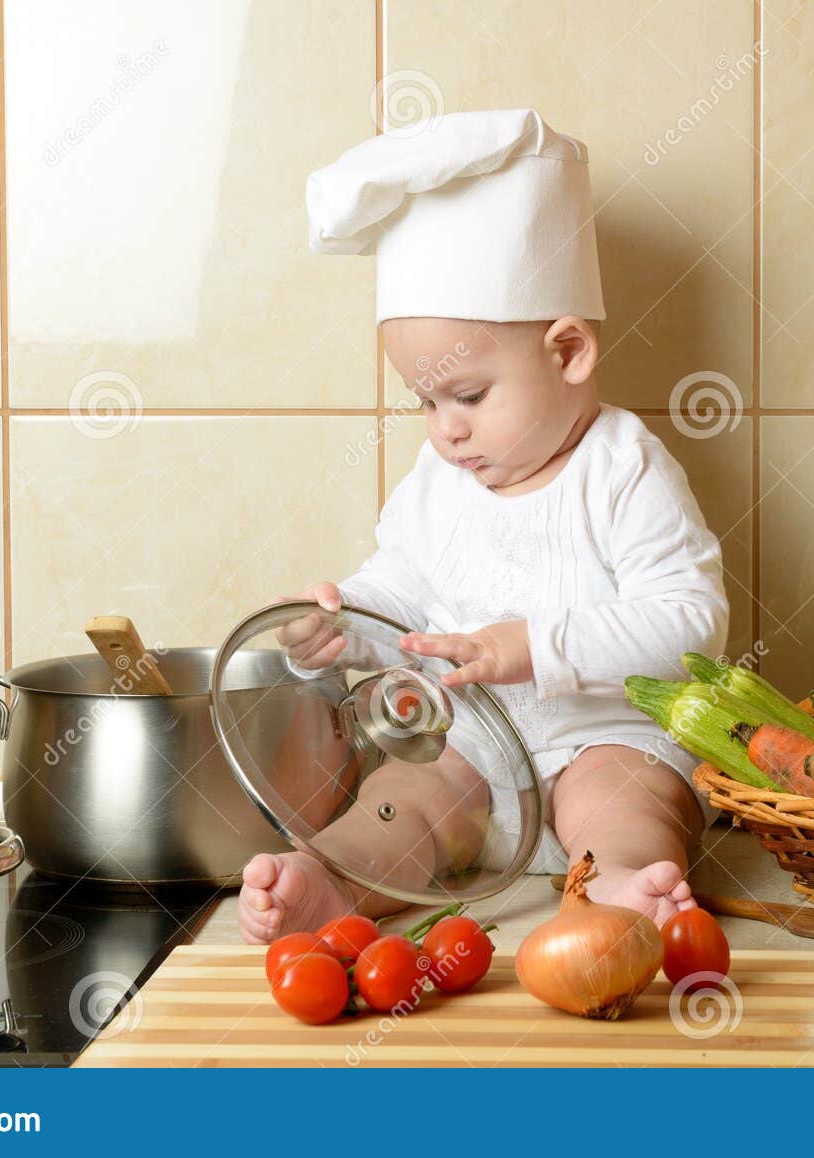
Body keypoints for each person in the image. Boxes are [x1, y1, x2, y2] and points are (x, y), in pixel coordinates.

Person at [238, 109, 728, 942]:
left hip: (606, 740)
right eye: (425, 401)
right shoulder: (439, 479)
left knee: (619, 800)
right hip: (467, 747)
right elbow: (405, 597)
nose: (445, 428)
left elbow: (691, 626)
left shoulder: (623, 468)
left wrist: (532, 647)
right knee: (406, 800)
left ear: (568, 352)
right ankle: (335, 879)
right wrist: (346, 622)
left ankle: (615, 888)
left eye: (467, 396)